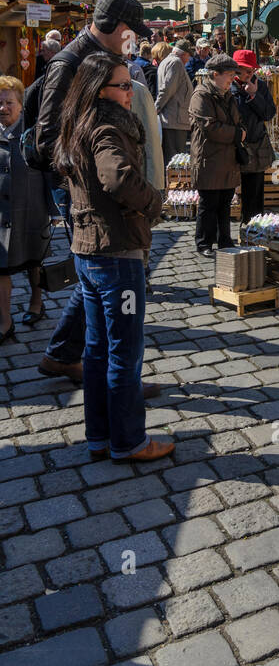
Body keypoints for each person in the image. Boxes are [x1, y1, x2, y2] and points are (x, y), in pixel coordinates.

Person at [54, 54, 171, 462]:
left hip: (90, 250)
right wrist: (153, 201)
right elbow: (117, 176)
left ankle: (100, 437)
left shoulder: (81, 121)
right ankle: (129, 442)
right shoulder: (105, 126)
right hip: (116, 252)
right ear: (99, 90)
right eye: (122, 85)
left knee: (98, 350)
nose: (129, 92)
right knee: (124, 351)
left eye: (128, 84)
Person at [34, 0, 153, 384]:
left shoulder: (104, 58)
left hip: (103, 186)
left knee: (93, 281)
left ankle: (66, 356)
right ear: (119, 29)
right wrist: (88, 171)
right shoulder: (68, 62)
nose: (133, 40)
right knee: (104, 273)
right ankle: (116, 389)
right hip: (87, 191)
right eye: (131, 32)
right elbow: (45, 139)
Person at [0, 76, 51, 342]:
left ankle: (36, 302)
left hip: (31, 208)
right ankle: (5, 321)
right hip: (1, 212)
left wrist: (53, 211)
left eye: (9, 102)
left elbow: (47, 171)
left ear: (20, 105)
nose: (3, 108)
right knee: (1, 267)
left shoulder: (31, 132)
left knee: (34, 259)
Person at [189, 53, 244, 255]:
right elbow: (209, 127)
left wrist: (239, 130)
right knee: (209, 203)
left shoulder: (227, 94)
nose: (232, 78)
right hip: (209, 158)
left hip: (227, 157)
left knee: (224, 201)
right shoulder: (201, 95)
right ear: (215, 74)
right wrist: (238, 134)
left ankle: (225, 240)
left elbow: (236, 120)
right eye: (229, 74)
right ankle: (204, 242)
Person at [231, 49, 276, 222]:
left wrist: (253, 95)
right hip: (233, 145)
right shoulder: (229, 86)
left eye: (253, 70)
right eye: (247, 70)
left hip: (255, 144)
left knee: (255, 190)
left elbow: (268, 113)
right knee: (231, 189)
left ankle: (254, 226)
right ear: (237, 69)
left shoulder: (260, 85)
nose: (251, 74)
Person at [155, 38, 193, 169]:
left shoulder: (167, 61)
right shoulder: (176, 63)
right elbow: (167, 89)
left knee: (172, 159)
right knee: (175, 162)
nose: (188, 60)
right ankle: (170, 189)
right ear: (183, 54)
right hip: (174, 119)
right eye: (188, 56)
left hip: (173, 118)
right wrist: (157, 108)